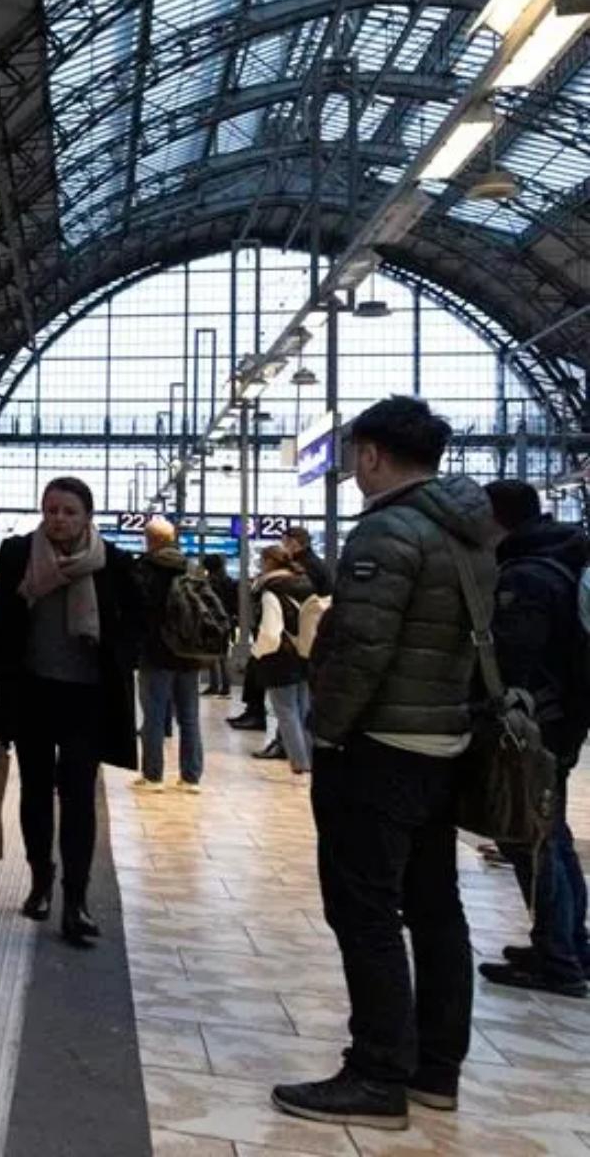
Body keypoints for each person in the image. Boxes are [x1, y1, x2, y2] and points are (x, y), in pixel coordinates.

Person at [272, 397, 493, 1131]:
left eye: (354, 457)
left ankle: (376, 1075)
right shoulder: (468, 532)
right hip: (443, 745)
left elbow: (361, 649)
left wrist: (328, 733)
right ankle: (436, 1070)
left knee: (364, 911)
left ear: (371, 455)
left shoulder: (388, 530)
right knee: (436, 909)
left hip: (379, 750)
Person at [0, 477, 142, 948]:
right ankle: (40, 883)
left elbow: (136, 621)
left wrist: (120, 654)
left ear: (88, 517)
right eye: (51, 510)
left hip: (88, 698)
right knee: (36, 790)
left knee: (80, 797)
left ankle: (76, 901)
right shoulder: (19, 553)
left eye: (69, 511)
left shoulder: (113, 562)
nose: (58, 519)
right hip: (31, 692)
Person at [477, 479, 590, 999]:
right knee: (552, 834)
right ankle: (569, 944)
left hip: (537, 725)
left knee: (531, 837)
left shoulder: (526, 575)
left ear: (495, 518)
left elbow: (512, 659)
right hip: (563, 718)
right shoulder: (560, 558)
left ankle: (558, 959)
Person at [133, 518, 207, 791]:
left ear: (150, 540)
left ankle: (153, 776)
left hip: (156, 652)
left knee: (153, 715)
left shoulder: (144, 568)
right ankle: (191, 778)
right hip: (189, 653)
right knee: (189, 717)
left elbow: (136, 611)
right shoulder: (192, 568)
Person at [248, 544, 316, 774]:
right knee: (302, 711)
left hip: (279, 658)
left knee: (286, 712)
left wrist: (257, 652)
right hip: (305, 653)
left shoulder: (271, 591)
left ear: (269, 562)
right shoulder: (306, 584)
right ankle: (311, 759)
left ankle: (300, 763)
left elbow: (271, 631)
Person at [200, 553, 237, 696]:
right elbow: (235, 604)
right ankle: (226, 686)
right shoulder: (231, 582)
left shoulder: (206, 583)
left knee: (212, 654)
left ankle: (214, 685)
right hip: (226, 621)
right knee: (223, 655)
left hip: (210, 621)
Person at [285, 524, 335, 594]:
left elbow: (305, 589)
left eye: (284, 542)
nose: (283, 546)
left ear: (293, 542)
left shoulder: (305, 563)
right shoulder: (309, 558)